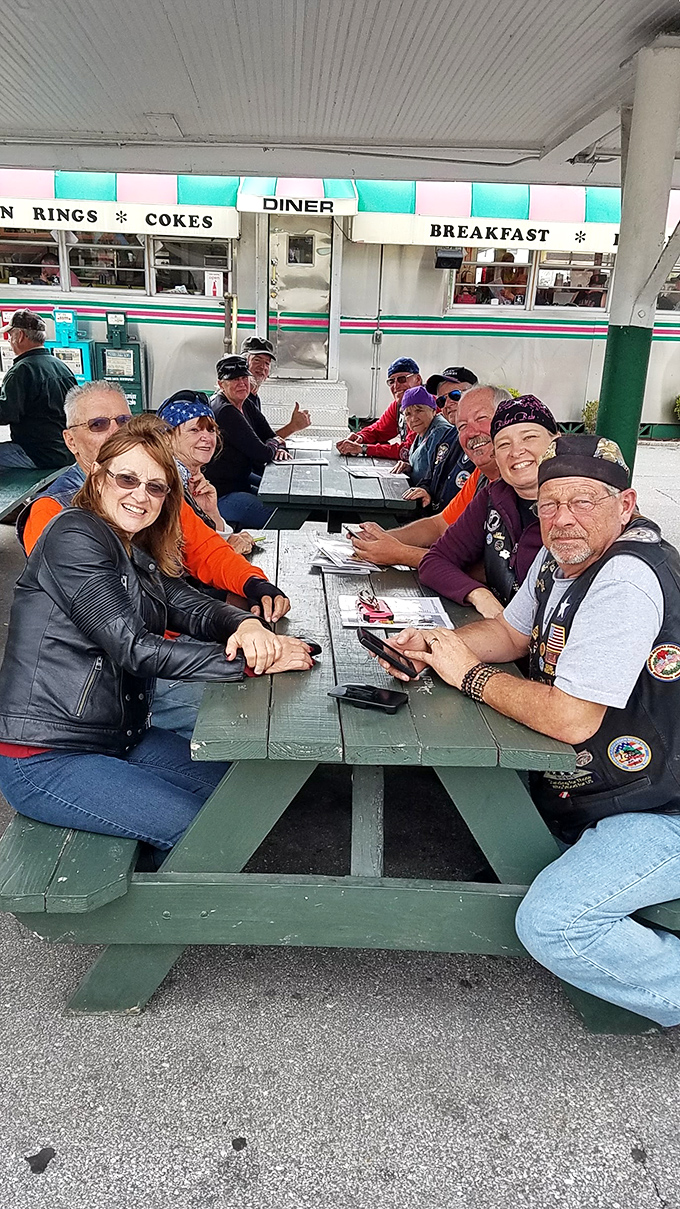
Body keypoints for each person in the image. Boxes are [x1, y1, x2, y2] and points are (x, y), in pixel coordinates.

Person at [376, 434, 680, 1027]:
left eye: (583, 501)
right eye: (549, 504)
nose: (562, 518)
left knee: (554, 925)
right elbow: (513, 635)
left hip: (662, 807)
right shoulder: (563, 554)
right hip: (613, 787)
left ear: (625, 505)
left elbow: (571, 717)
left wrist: (470, 676)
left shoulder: (625, 579)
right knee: (484, 824)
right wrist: (439, 647)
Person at [0, 415, 314, 852]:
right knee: (208, 834)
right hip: (47, 755)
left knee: (242, 794)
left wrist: (244, 623)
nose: (140, 495)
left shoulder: (128, 544)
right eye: (127, 479)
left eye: (155, 487)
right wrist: (251, 660)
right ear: (98, 475)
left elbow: (186, 604)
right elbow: (134, 647)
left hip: (117, 737)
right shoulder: (73, 532)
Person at [19, 381, 292, 738]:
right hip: (100, 681)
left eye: (123, 421)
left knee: (274, 691)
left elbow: (204, 551)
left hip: (167, 648)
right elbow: (120, 634)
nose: (115, 432)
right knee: (255, 715)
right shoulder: (53, 515)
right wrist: (243, 657)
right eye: (98, 424)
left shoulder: (150, 493)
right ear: (71, 441)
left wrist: (253, 585)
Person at [419, 395, 559, 617]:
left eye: (529, 437)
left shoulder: (579, 505)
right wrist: (478, 595)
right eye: (503, 444)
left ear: (556, 442)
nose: (516, 452)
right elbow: (434, 561)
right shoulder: (494, 495)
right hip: (500, 631)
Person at [350, 385, 509, 569]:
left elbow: (488, 570)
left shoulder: (522, 483)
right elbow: (439, 525)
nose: (471, 432)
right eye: (462, 426)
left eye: (481, 418)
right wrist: (381, 538)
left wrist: (401, 553)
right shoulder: (481, 476)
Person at [157, 389, 254, 555]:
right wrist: (229, 550)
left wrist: (211, 513)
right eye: (194, 430)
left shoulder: (190, 480)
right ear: (167, 438)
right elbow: (178, 557)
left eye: (211, 430)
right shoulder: (164, 484)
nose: (207, 438)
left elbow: (203, 542)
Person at [206, 355, 289, 530]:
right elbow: (262, 454)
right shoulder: (225, 411)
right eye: (234, 379)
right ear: (221, 384)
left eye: (244, 377)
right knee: (281, 515)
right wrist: (275, 443)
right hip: (221, 494)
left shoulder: (245, 403)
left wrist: (277, 444)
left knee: (284, 498)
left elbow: (269, 435)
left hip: (240, 481)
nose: (242, 383)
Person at [0, 310, 75, 469]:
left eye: (10, 335)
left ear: (20, 336)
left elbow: (5, 413)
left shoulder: (21, 370)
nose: (9, 340)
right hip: (66, 451)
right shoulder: (61, 366)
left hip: (38, 454)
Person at [402, 372, 477, 512]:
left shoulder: (485, 440)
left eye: (455, 395)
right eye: (442, 400)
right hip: (437, 516)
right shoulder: (448, 437)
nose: (447, 404)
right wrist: (425, 490)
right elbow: (431, 475)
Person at [335, 357, 422, 459]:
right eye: (391, 381)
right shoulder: (398, 405)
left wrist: (363, 449)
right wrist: (360, 437)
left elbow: (409, 450)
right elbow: (378, 431)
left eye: (402, 379)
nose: (396, 386)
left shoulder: (425, 407)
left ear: (418, 379)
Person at [241, 335, 311, 436]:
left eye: (267, 363)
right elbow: (258, 443)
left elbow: (263, 438)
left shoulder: (254, 398)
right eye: (257, 360)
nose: (262, 367)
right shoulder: (240, 399)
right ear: (244, 363)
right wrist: (292, 426)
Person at [397, 385, 451, 487]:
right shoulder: (422, 431)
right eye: (408, 414)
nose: (413, 419)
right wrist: (410, 468)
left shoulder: (440, 432)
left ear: (433, 410)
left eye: (419, 411)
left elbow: (438, 477)